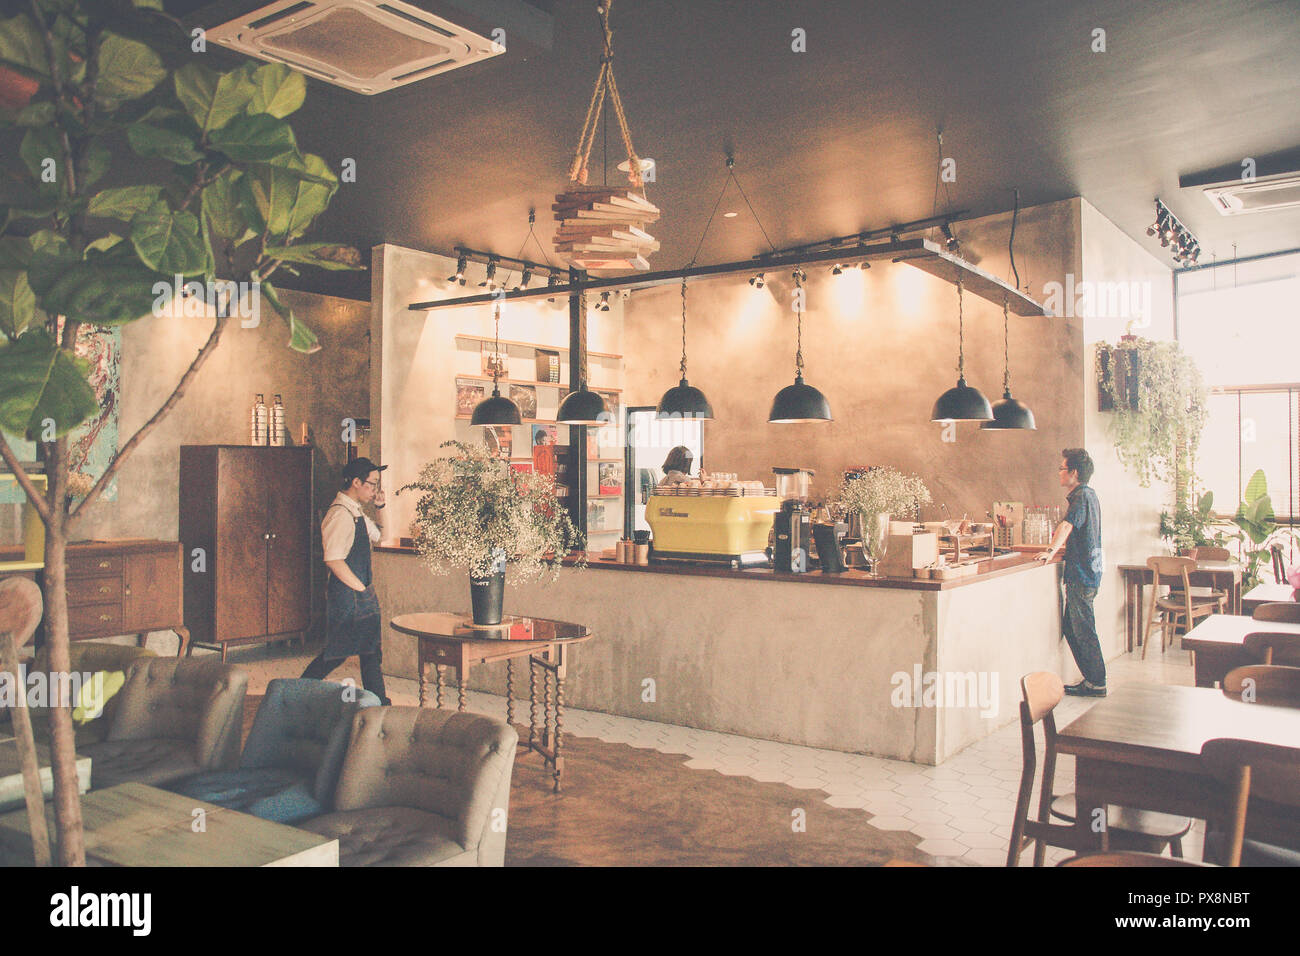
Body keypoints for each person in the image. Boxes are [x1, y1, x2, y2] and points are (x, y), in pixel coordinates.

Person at [301, 457, 390, 704]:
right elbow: (333, 560)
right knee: (336, 653)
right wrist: (361, 589)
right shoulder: (339, 514)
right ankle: (294, 691)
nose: (375, 490)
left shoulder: (356, 511)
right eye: (372, 484)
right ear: (356, 482)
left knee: (370, 652)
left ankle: (379, 704)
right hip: (349, 596)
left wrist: (381, 508)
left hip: (360, 594)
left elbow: (381, 537)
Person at [1037, 448, 1106, 697]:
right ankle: (1092, 679)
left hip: (1082, 573)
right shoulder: (1090, 495)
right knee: (1072, 627)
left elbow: (1067, 525)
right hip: (1090, 570)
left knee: (1083, 629)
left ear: (1074, 473)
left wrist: (1051, 550)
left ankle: (1097, 682)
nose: (1059, 473)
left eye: (1062, 468)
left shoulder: (1080, 497)